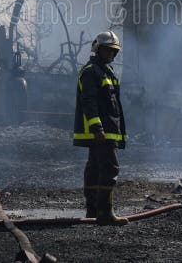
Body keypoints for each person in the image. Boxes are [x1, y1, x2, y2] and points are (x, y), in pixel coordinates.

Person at [73, 31, 128, 226]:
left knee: (95, 168)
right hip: (101, 131)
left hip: (107, 130)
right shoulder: (91, 71)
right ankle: (105, 212)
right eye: (107, 50)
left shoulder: (106, 71)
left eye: (114, 51)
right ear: (98, 49)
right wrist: (97, 127)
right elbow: (89, 101)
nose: (111, 55)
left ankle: (93, 210)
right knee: (109, 167)